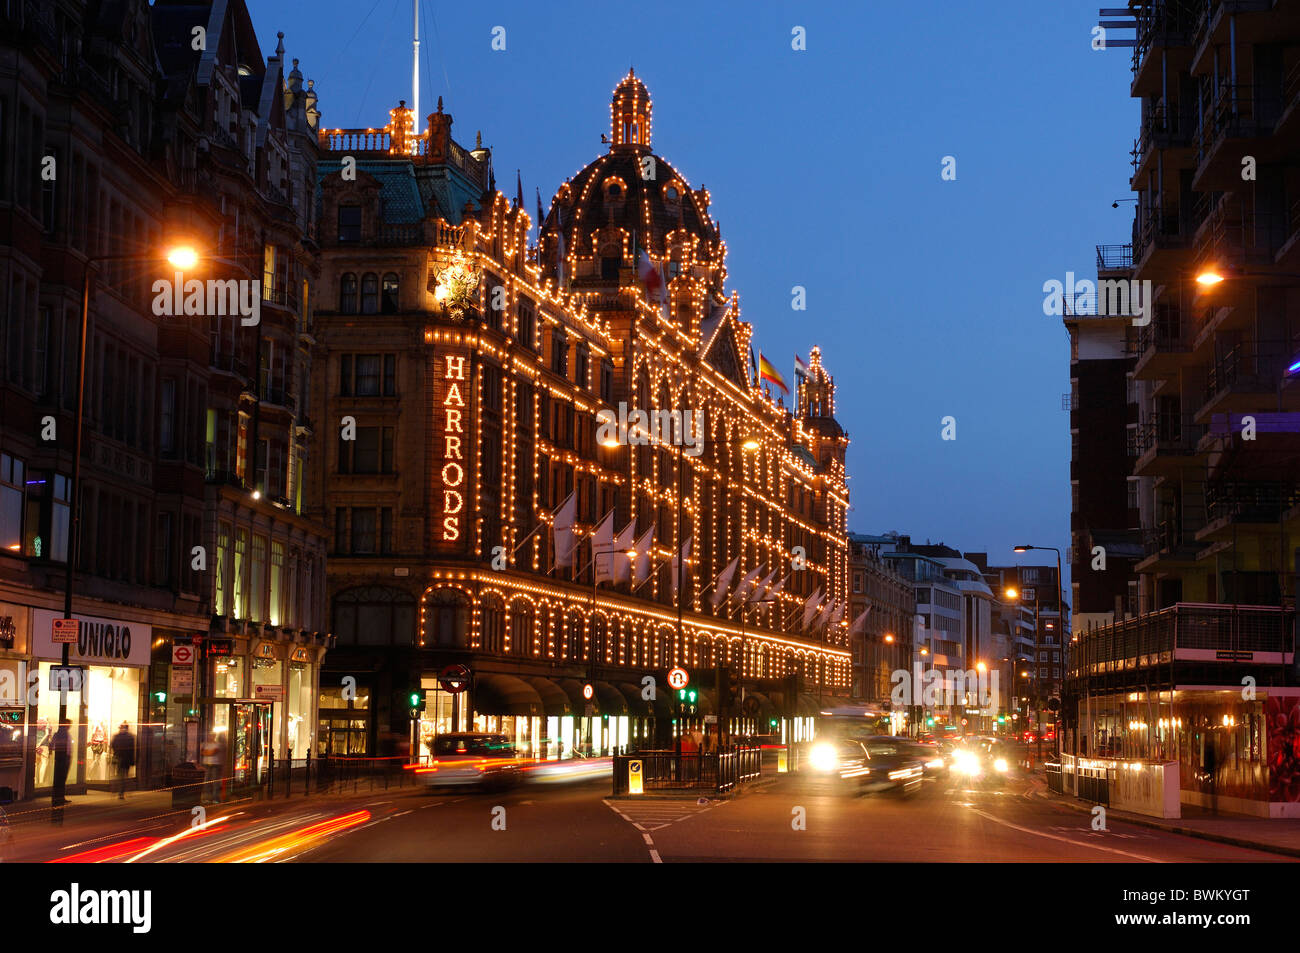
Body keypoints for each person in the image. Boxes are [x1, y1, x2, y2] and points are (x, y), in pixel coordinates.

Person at [50, 719, 72, 825]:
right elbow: (53, 745)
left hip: (62, 758)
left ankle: (60, 796)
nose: (69, 726)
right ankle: (59, 797)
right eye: (68, 724)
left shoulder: (60, 734)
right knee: (61, 778)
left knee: (61, 778)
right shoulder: (63, 734)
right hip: (63, 758)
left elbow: (52, 745)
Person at [110, 722, 135, 799]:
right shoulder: (131, 737)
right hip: (126, 759)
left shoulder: (116, 736)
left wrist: (115, 754)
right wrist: (132, 760)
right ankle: (122, 792)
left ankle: (119, 792)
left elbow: (112, 746)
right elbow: (132, 750)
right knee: (125, 775)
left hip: (119, 758)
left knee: (120, 775)